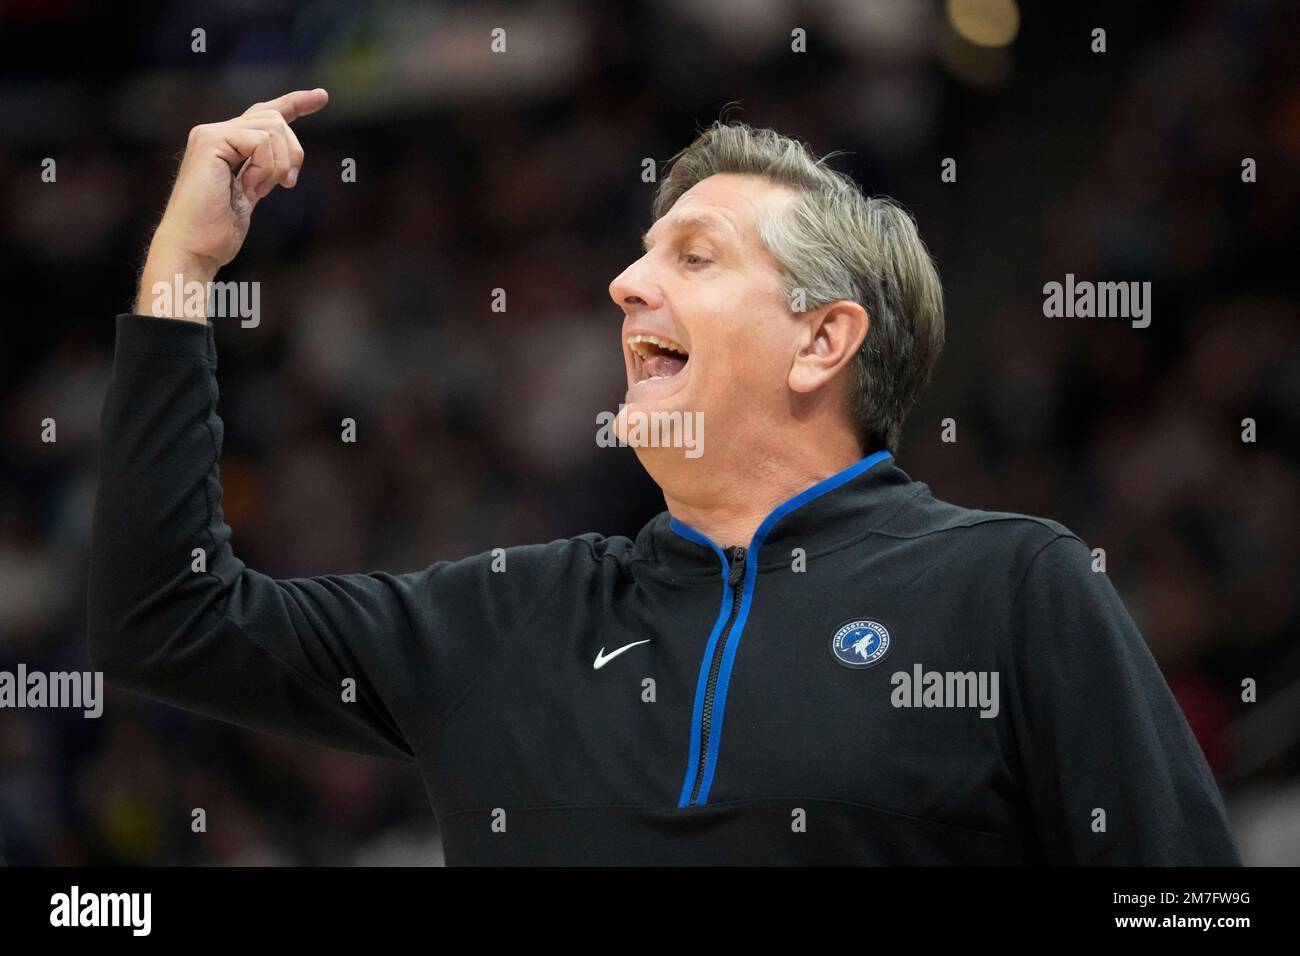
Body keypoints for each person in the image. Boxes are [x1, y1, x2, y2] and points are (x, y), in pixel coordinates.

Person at [88, 89, 1241, 865]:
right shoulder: (504, 616)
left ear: (820, 339)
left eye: (693, 257)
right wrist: (183, 267)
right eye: (642, 256)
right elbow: (165, 618)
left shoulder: (1013, 588)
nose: (626, 285)